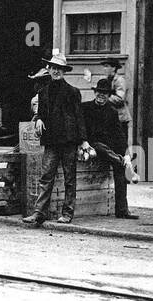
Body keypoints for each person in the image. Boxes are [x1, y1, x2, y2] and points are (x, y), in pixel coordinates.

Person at [22, 49, 86, 226]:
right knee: (46, 176)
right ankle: (39, 213)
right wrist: (38, 119)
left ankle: (67, 213)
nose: (56, 71)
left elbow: (79, 117)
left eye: (59, 68)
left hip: (69, 141)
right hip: (51, 141)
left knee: (69, 178)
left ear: (64, 71)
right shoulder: (43, 92)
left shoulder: (73, 92)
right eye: (53, 67)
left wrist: (83, 140)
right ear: (48, 69)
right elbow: (40, 113)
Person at [83, 76, 138, 219]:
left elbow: (118, 134)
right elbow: (80, 128)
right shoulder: (85, 108)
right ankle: (122, 162)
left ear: (108, 95)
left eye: (105, 93)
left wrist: (126, 153)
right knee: (100, 147)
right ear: (95, 93)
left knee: (119, 168)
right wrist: (83, 141)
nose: (101, 95)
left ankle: (122, 210)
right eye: (99, 92)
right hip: (90, 145)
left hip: (108, 149)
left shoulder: (112, 111)